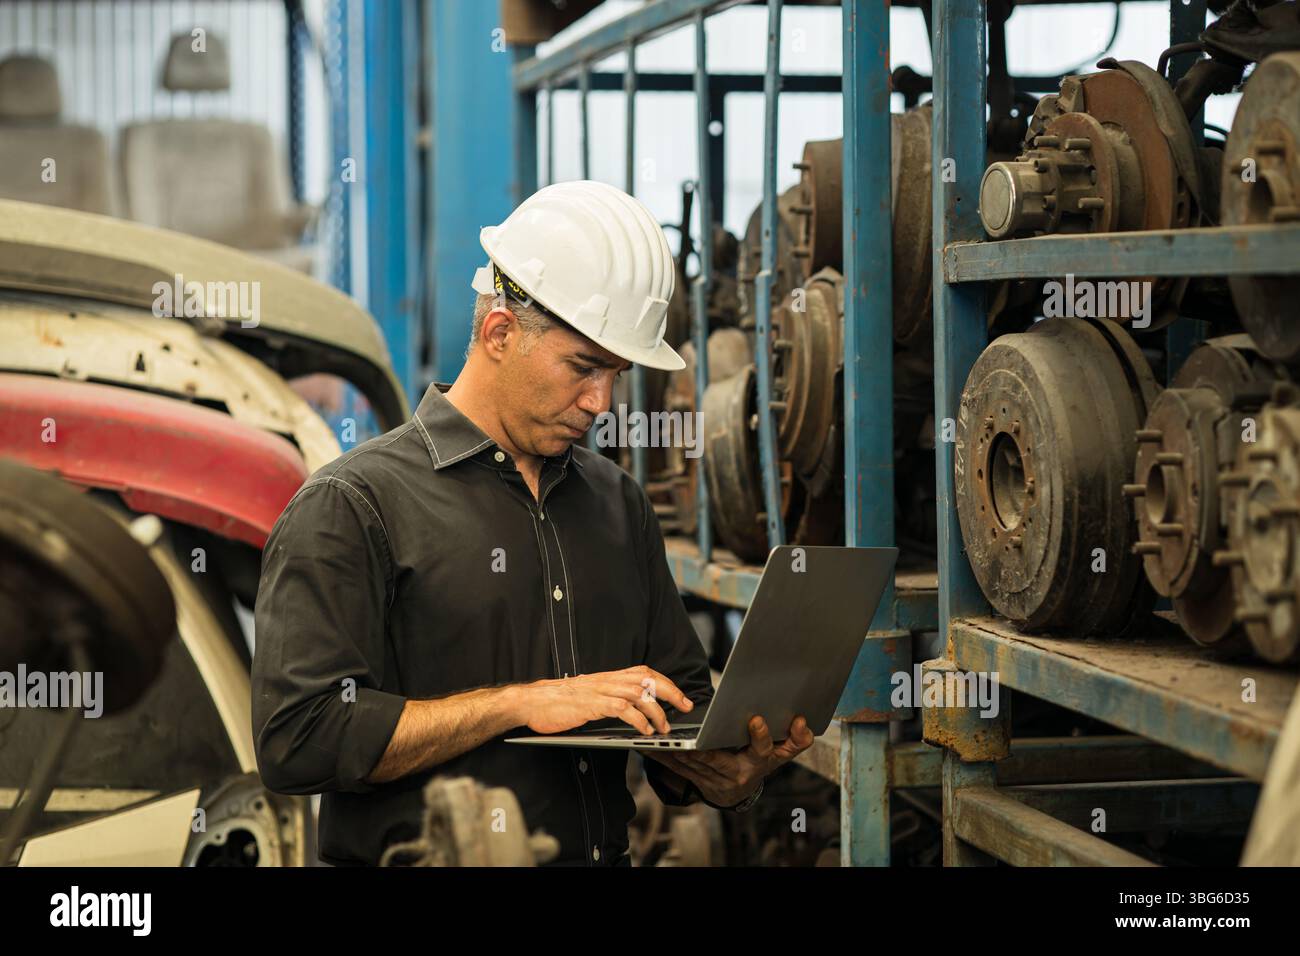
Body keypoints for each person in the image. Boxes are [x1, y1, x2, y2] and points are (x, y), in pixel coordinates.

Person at [252, 180, 813, 866]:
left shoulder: (617, 505)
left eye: (616, 373)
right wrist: (520, 704)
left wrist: (727, 774)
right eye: (583, 367)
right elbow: (297, 738)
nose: (601, 401)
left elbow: (677, 708)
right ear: (499, 332)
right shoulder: (353, 505)